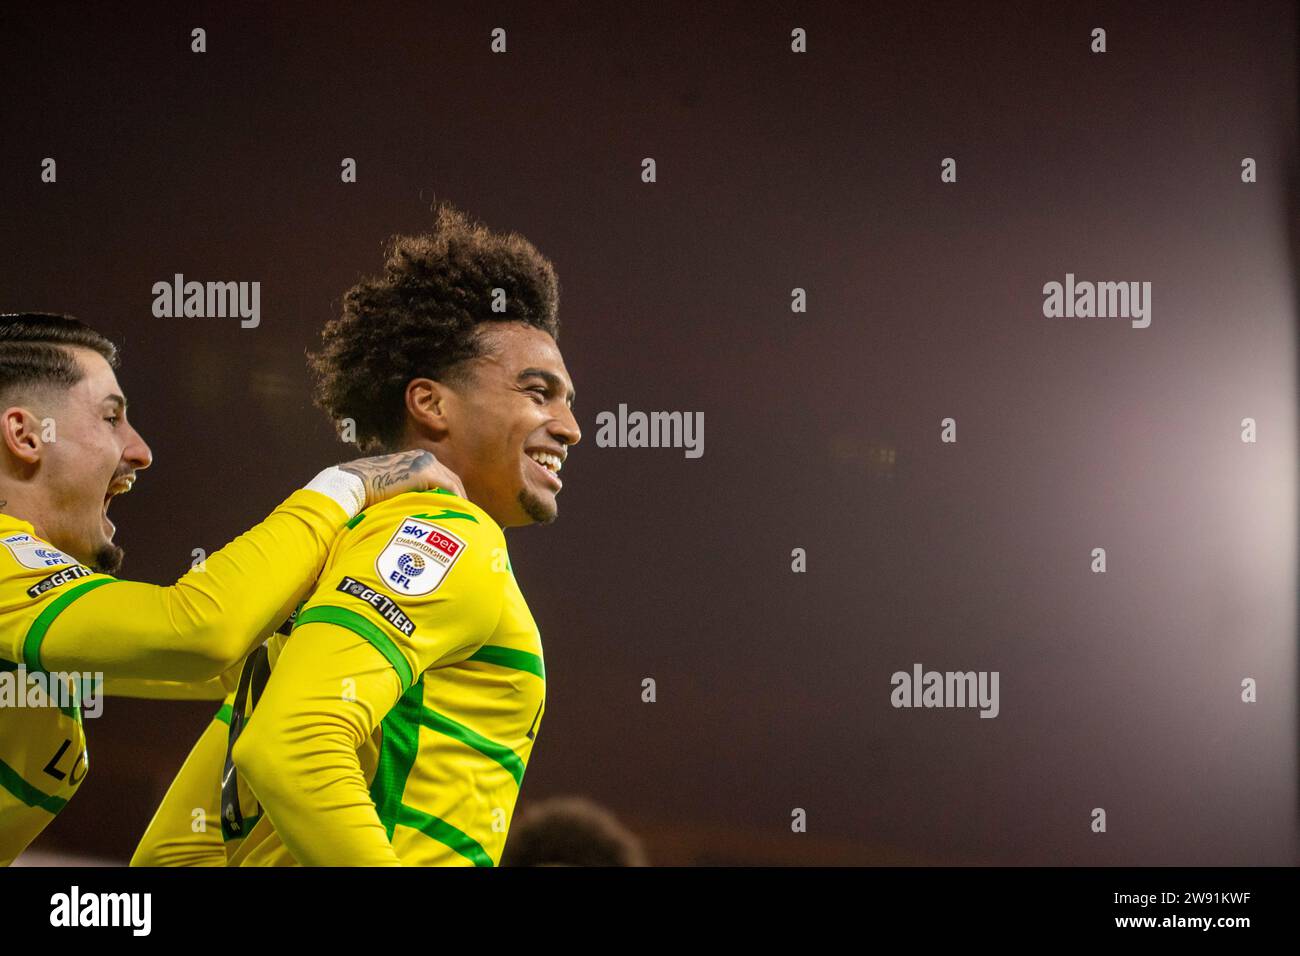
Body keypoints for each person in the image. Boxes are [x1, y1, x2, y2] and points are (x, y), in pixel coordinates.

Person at [136, 201, 579, 866]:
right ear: (432, 403)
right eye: (538, 392)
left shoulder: (334, 556)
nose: (569, 427)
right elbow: (293, 743)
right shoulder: (448, 534)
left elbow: (176, 851)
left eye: (569, 402)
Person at [0, 312, 463, 866]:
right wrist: (348, 486)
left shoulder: (34, 631)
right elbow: (198, 631)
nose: (140, 449)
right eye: (112, 418)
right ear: (26, 435)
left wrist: (345, 611)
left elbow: (226, 657)